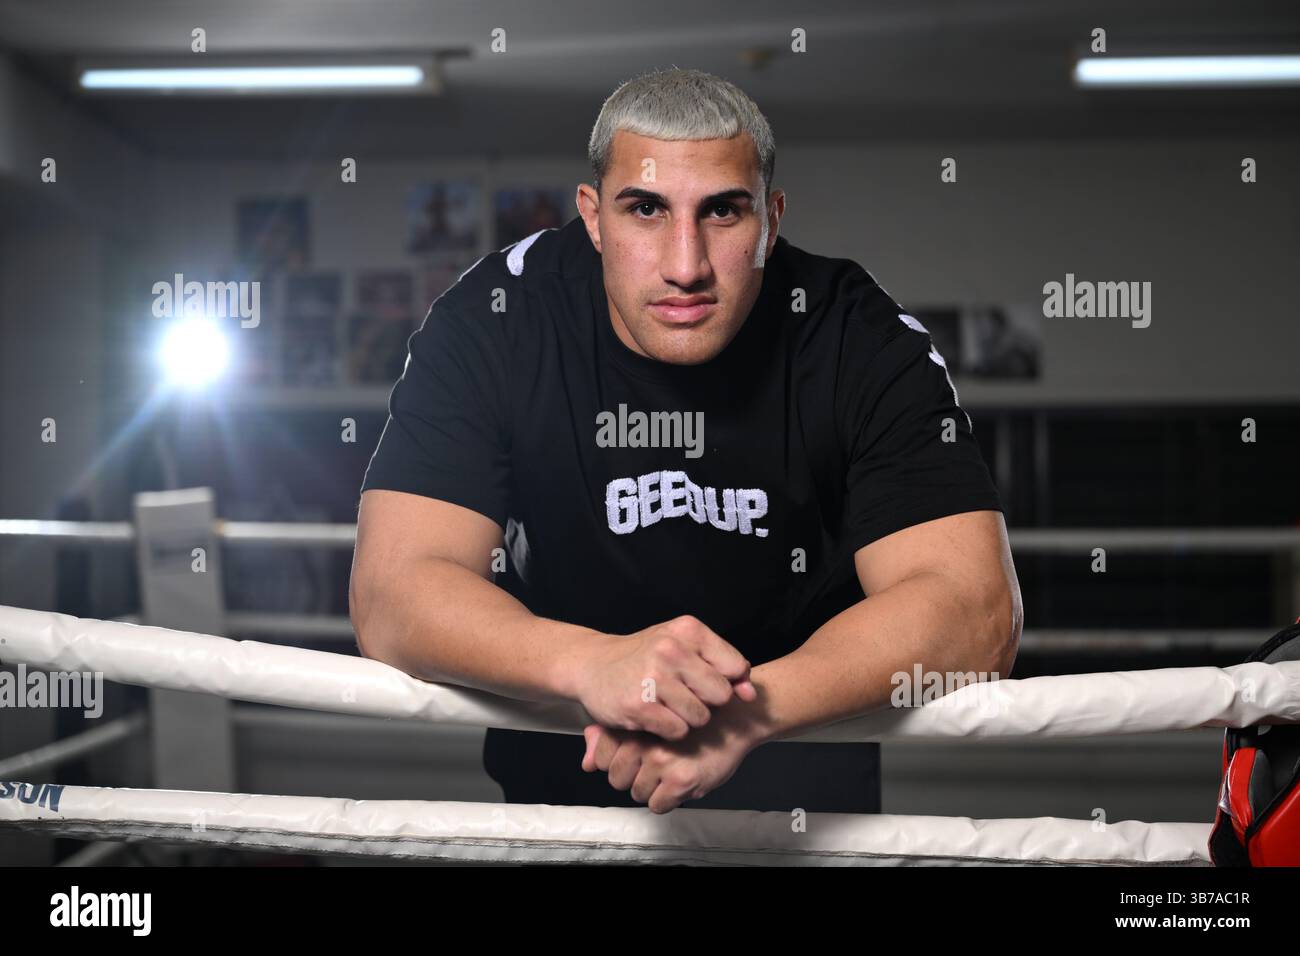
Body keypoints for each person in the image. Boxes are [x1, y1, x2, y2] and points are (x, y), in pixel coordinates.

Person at [350, 68, 1022, 815]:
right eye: (645, 209)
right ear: (594, 216)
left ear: (770, 218)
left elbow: (976, 612)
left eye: (723, 213)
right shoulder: (497, 318)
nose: (685, 266)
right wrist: (595, 663)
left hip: (803, 786)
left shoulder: (855, 335)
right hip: (567, 784)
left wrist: (746, 710)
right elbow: (392, 591)